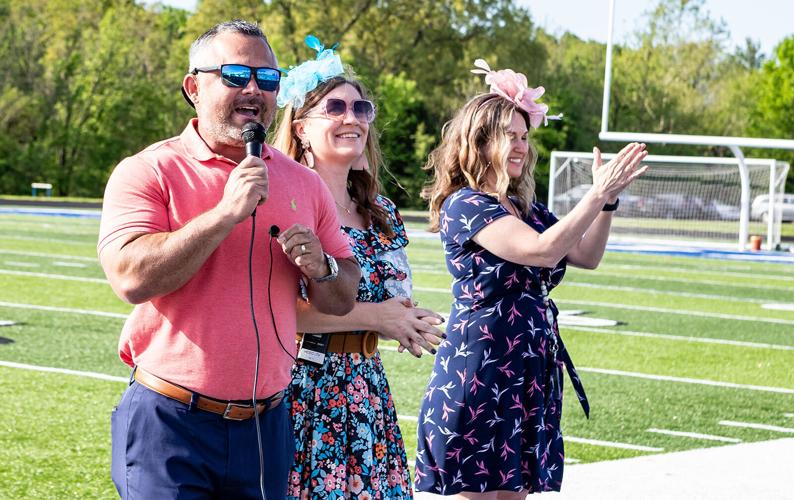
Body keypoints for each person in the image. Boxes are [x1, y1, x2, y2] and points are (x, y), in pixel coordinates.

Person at [98, 21, 360, 499]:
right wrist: (224, 215)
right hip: (171, 420)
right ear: (194, 87)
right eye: (236, 75)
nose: (254, 90)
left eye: (269, 79)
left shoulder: (304, 182)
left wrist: (322, 268)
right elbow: (131, 278)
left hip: (267, 425)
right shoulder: (148, 170)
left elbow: (343, 297)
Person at [413, 59, 649, 498]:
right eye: (510, 137)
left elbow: (587, 255)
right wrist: (594, 194)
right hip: (482, 367)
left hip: (529, 367)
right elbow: (544, 252)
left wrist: (608, 201)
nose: (521, 146)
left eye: (525, 136)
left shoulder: (526, 208)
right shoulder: (466, 204)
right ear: (479, 142)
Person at [271, 35, 445, 498]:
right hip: (302, 388)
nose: (353, 118)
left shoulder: (380, 209)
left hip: (365, 388)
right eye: (335, 108)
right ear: (302, 128)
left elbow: (393, 298)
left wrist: (408, 320)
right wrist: (379, 316)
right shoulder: (283, 202)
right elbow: (280, 309)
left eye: (361, 108)